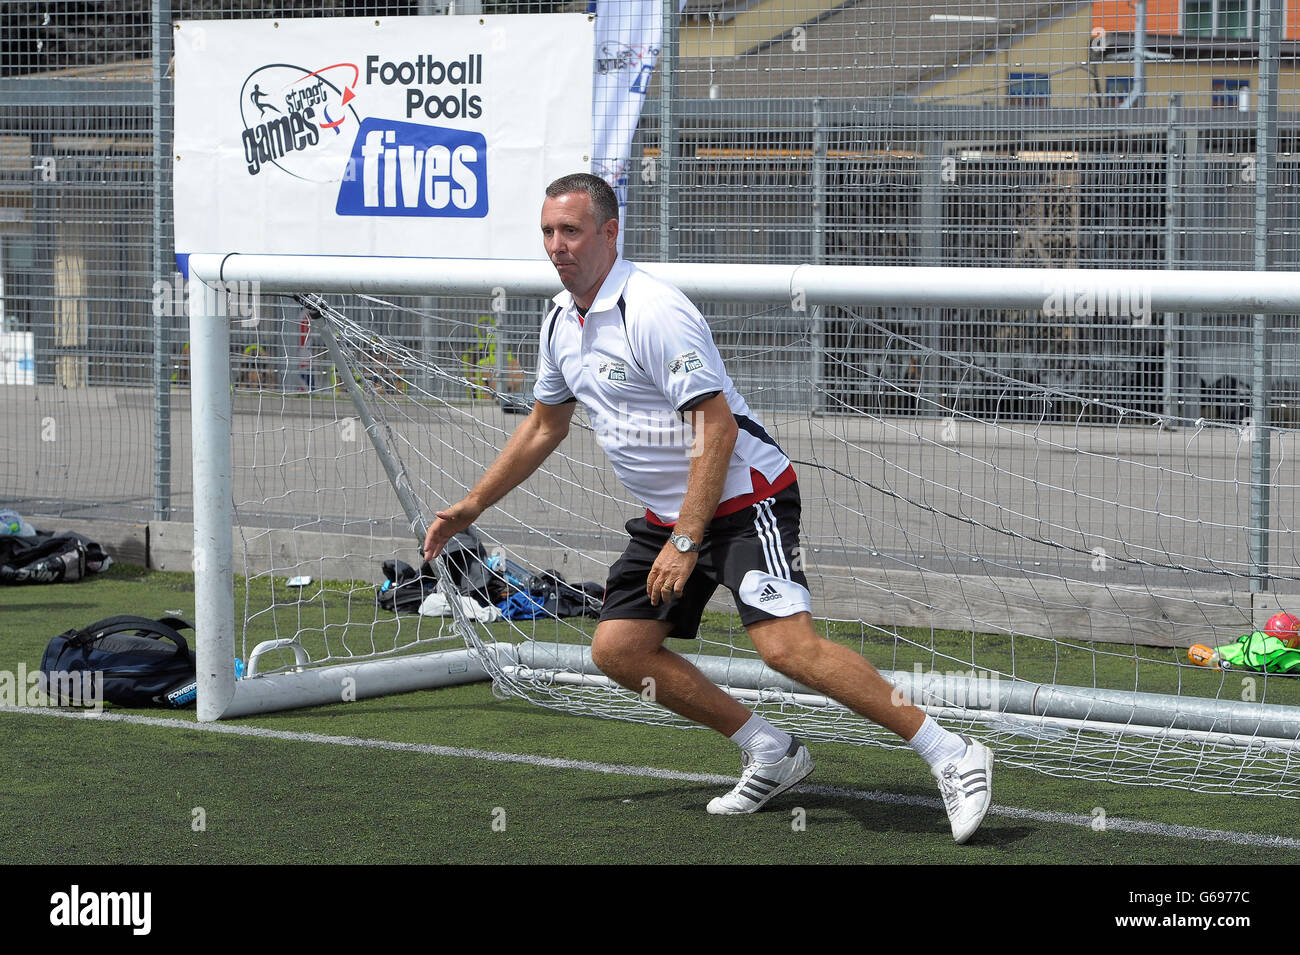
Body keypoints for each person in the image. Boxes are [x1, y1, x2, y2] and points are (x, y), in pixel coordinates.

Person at [424, 172, 993, 842]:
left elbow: (716, 429)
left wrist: (688, 540)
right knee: (619, 649)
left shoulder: (654, 311)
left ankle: (950, 751)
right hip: (672, 515)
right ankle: (771, 748)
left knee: (787, 647)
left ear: (610, 232)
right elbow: (545, 426)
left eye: (571, 230)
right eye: (549, 231)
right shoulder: (560, 319)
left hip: (746, 499)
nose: (557, 245)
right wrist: (470, 505)